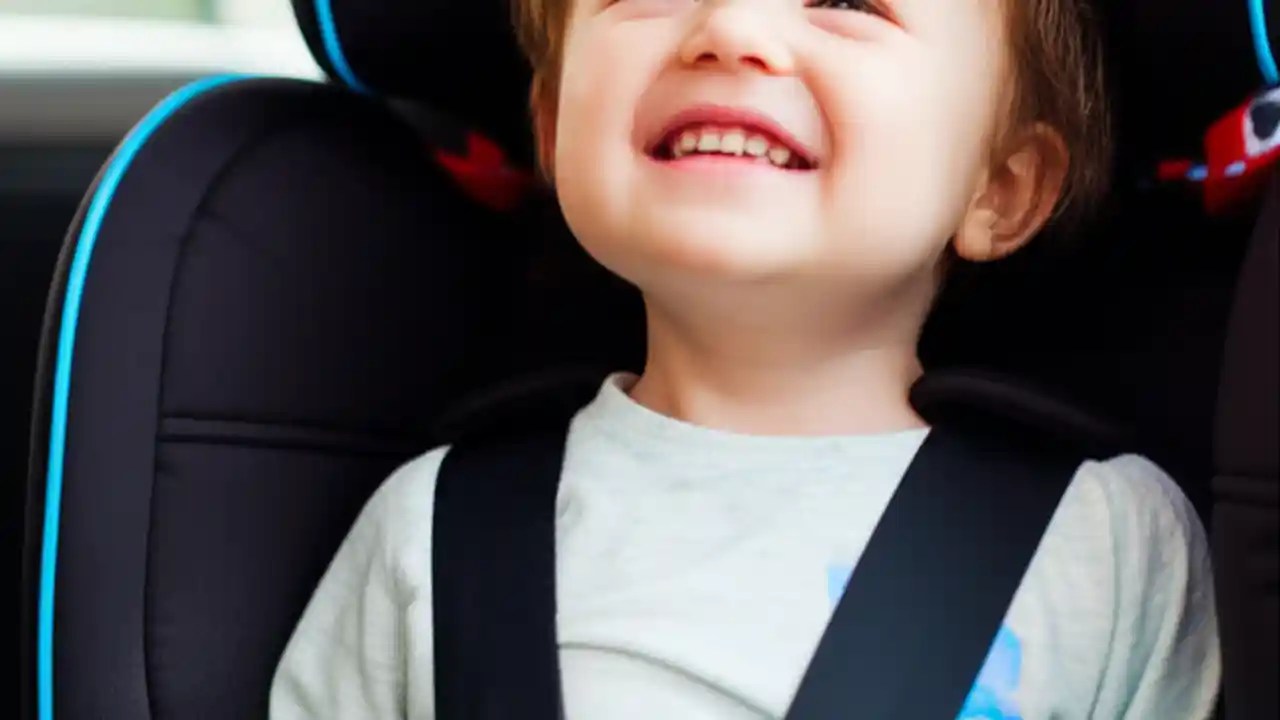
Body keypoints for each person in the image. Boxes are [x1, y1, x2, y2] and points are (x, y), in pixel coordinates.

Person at [270, 0, 1221, 717]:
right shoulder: (433, 531)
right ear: (554, 123)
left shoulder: (1104, 538)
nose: (728, 28)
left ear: (1004, 187)